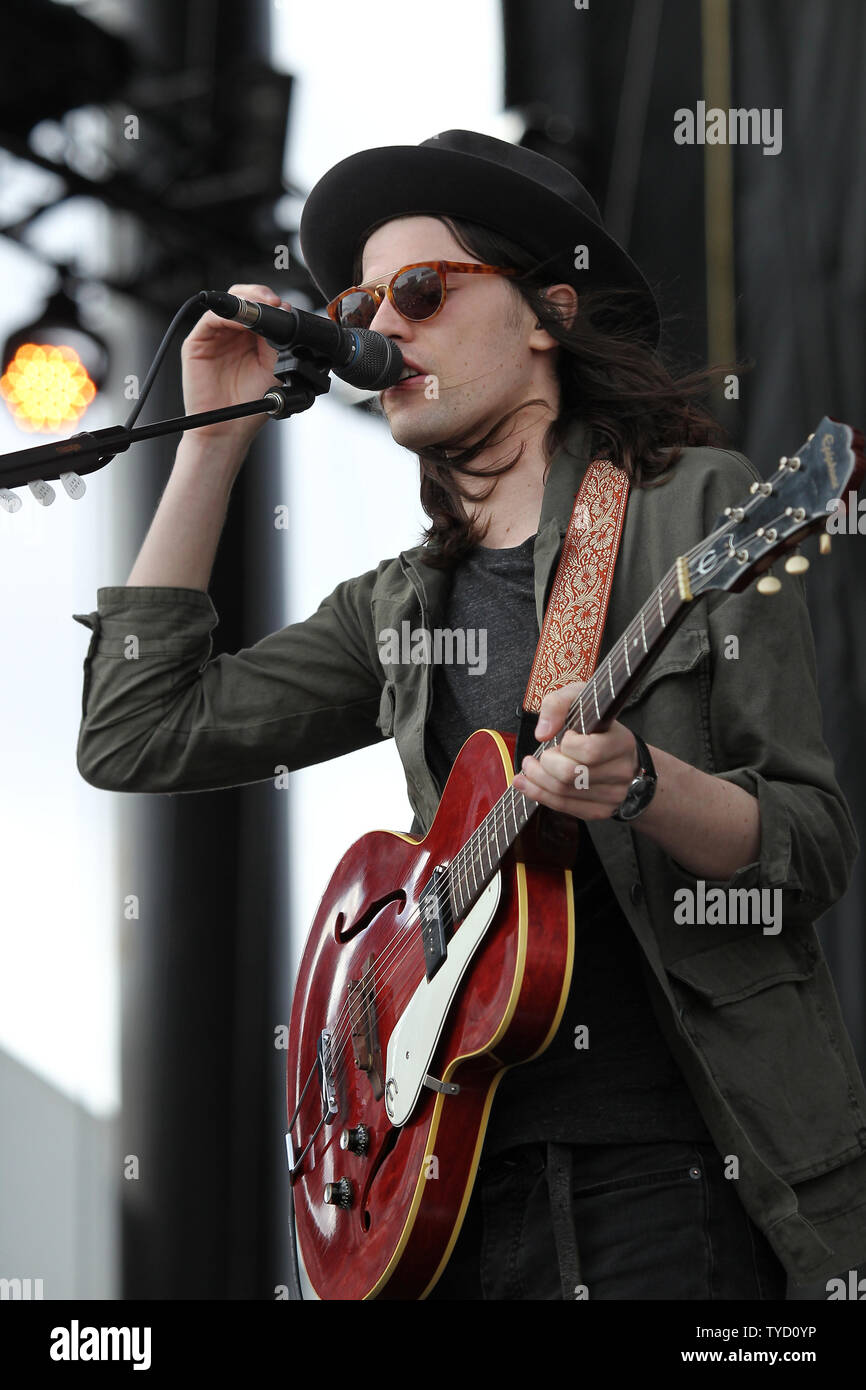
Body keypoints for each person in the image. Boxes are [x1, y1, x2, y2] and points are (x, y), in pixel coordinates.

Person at [73, 130, 866, 1301]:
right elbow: (135, 734)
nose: (379, 329)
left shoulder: (697, 510)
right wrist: (214, 443)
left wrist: (640, 782)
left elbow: (807, 846)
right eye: (357, 302)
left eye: (421, 291)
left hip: (660, 1175)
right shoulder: (394, 605)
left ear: (546, 315)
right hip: (437, 1197)